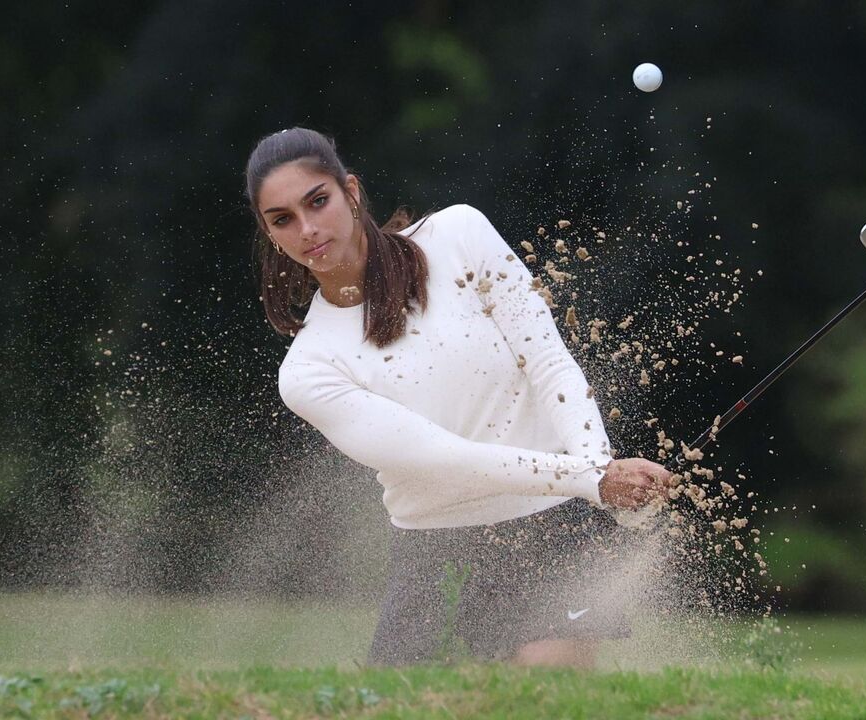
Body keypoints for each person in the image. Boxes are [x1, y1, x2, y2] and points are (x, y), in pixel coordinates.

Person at [245, 127, 670, 667]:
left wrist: (599, 471)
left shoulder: (459, 234)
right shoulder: (308, 370)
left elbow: (549, 360)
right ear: (270, 232)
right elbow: (441, 458)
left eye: (318, 201)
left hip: (547, 531)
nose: (308, 229)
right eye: (283, 219)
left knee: (541, 700)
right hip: (434, 555)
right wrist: (595, 481)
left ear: (350, 192)